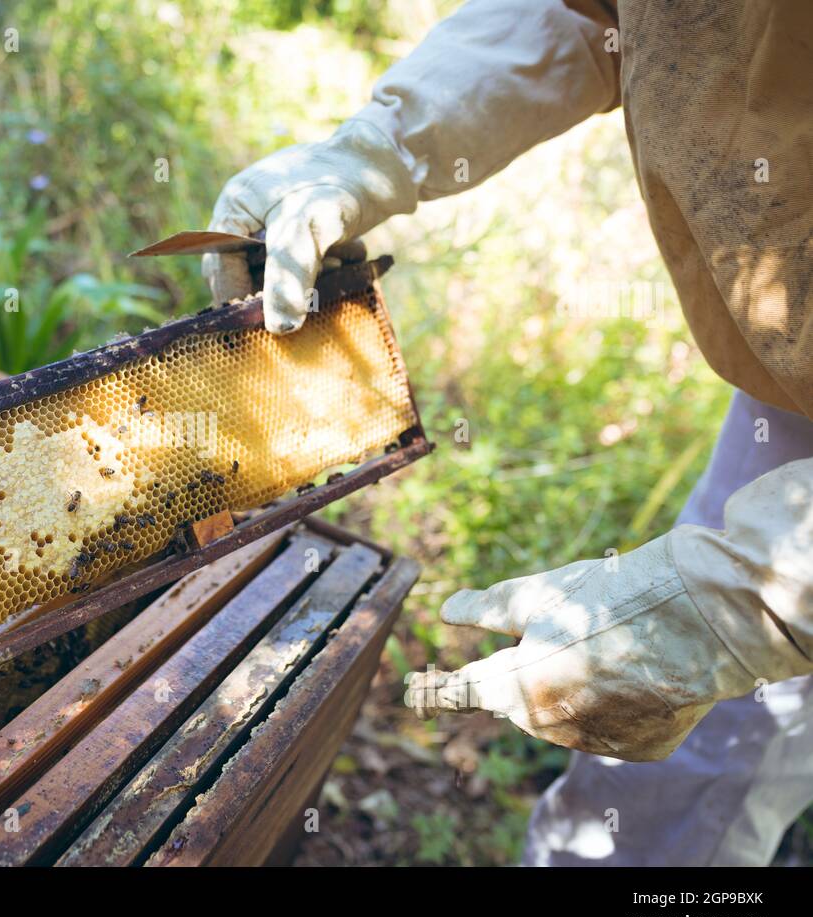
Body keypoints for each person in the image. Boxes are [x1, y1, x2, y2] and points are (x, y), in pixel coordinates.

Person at [202, 0, 813, 865]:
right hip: (792, 390)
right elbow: (587, 15)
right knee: (663, 773)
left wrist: (752, 602)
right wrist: (375, 150)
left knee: (732, 743)